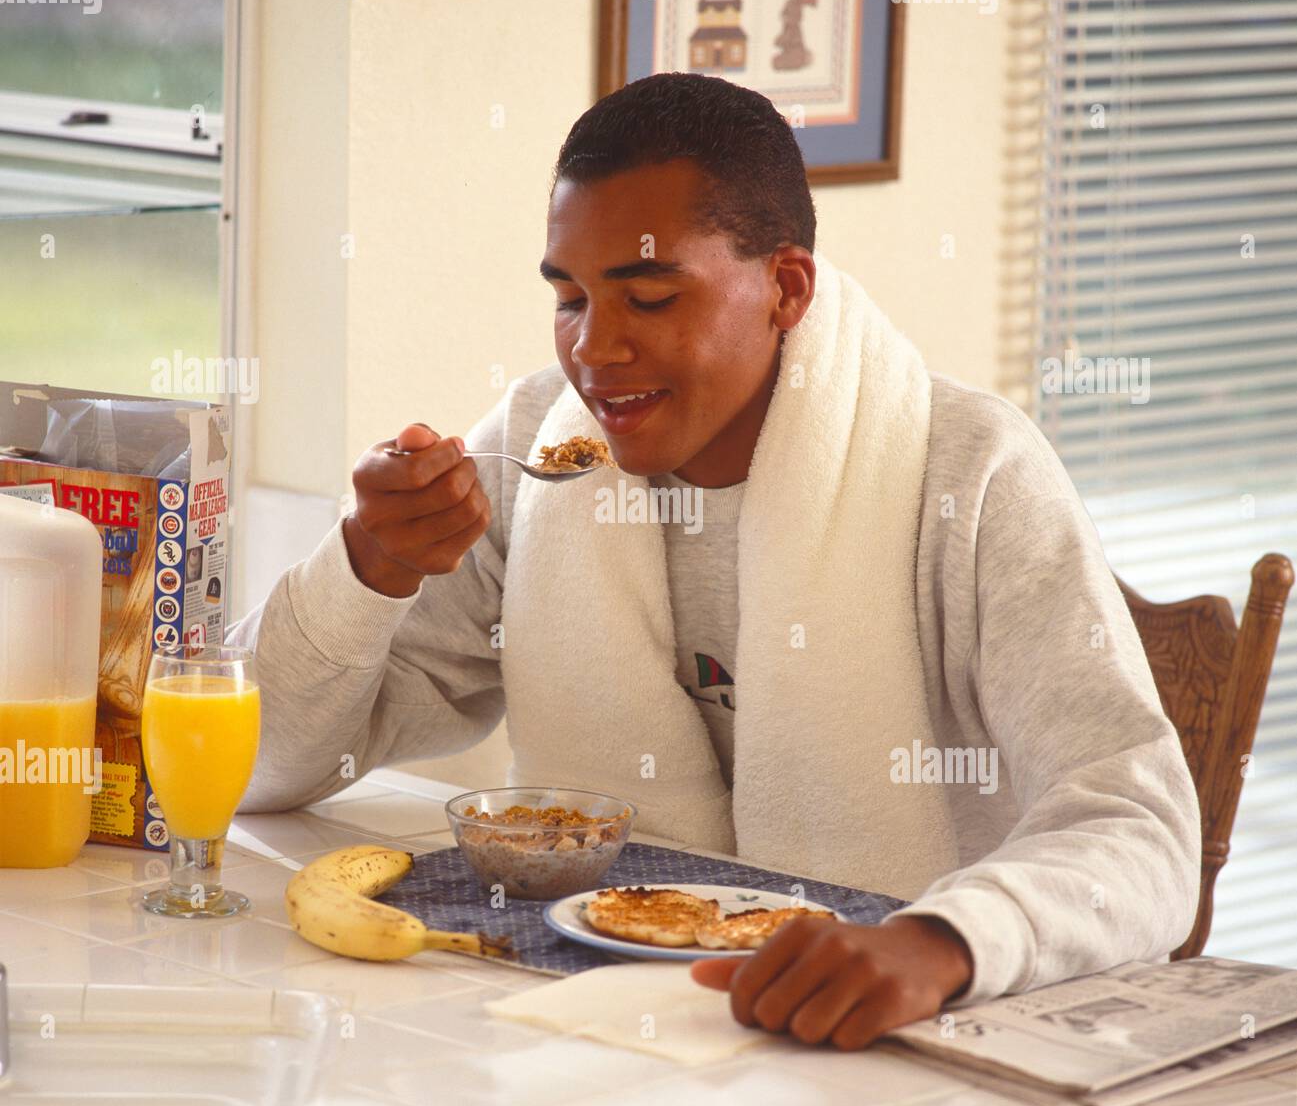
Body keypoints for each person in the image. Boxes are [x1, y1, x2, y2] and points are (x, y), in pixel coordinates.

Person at [226, 71, 1200, 1051]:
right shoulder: (535, 452)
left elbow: (1139, 831)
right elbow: (258, 765)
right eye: (568, 298)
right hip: (604, 1033)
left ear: (785, 288)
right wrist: (365, 568)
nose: (593, 348)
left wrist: (939, 940)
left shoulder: (970, 475)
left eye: (647, 296)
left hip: (888, 1051)